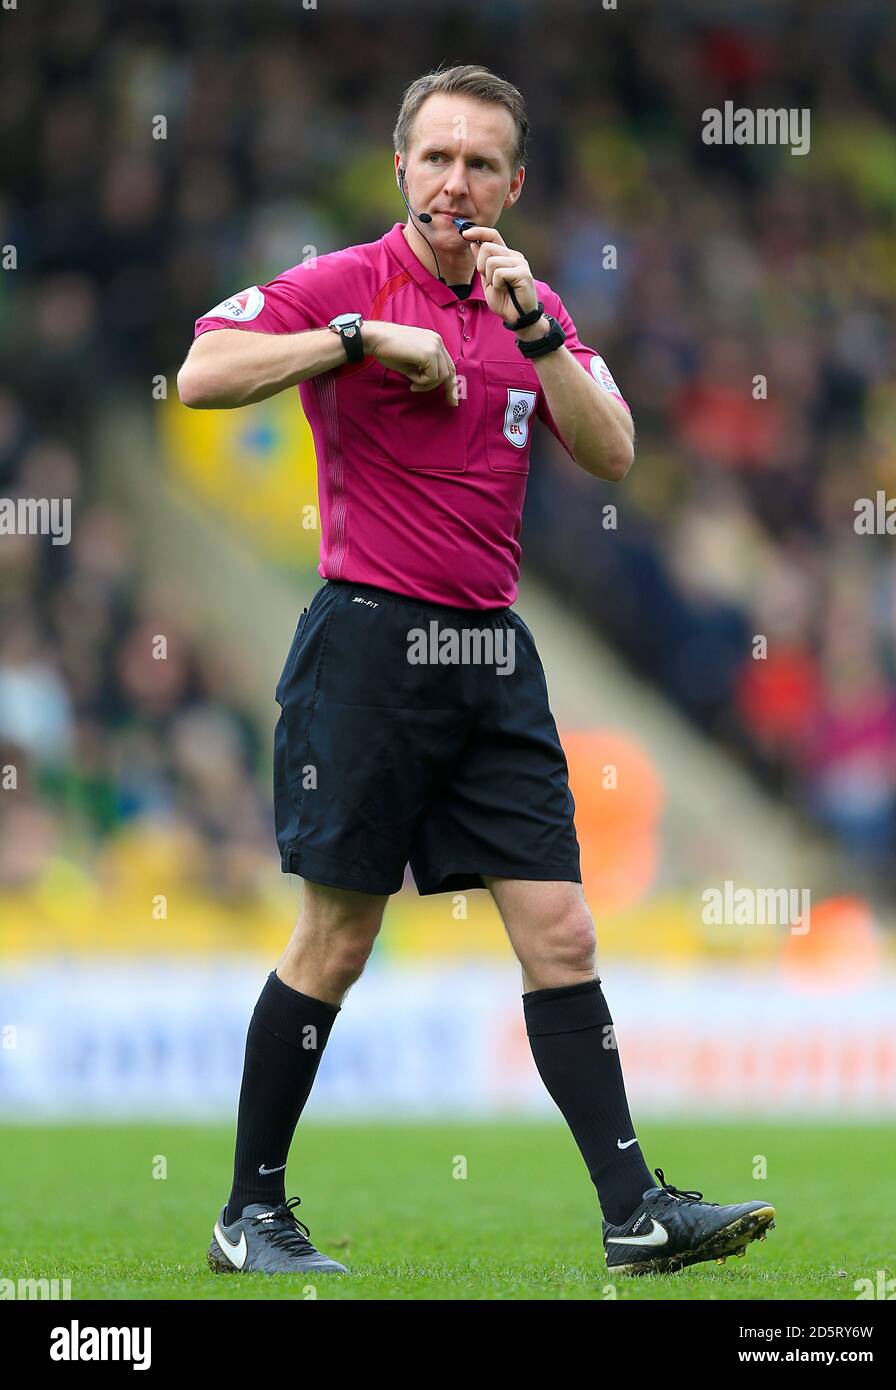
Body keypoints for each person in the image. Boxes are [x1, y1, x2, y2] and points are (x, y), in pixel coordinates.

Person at [177, 63, 775, 1278]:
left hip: (491, 654)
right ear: (401, 167)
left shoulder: (527, 301)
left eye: (480, 162)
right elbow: (199, 375)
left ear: (513, 182)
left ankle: (633, 1214)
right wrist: (350, 341)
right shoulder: (345, 281)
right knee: (336, 938)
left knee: (559, 926)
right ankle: (249, 1212)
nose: (455, 180)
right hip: (366, 646)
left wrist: (539, 330)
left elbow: (610, 452)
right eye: (436, 157)